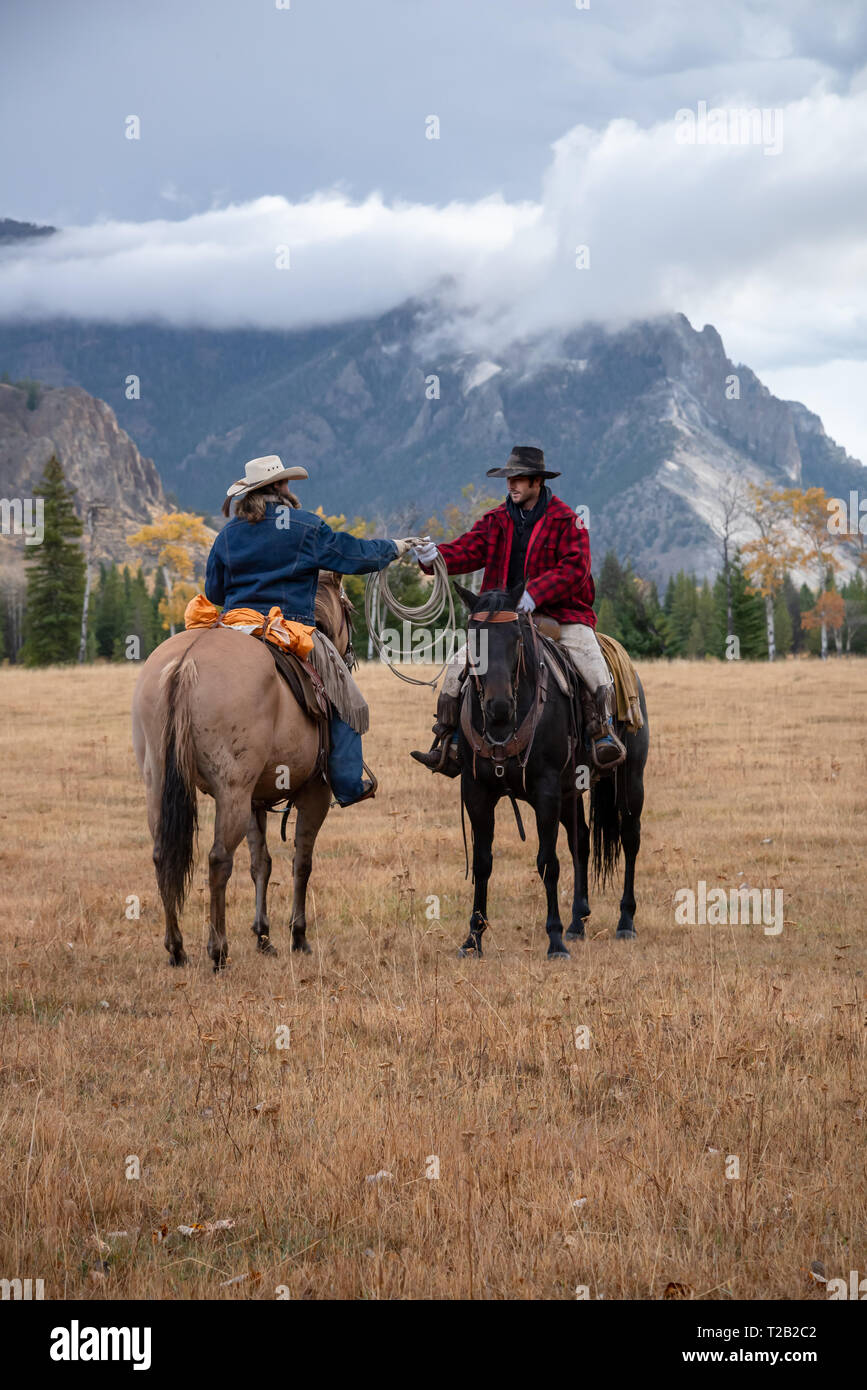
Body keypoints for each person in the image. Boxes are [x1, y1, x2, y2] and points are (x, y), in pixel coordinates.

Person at [205, 454, 418, 807]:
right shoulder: (304, 527)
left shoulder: (229, 534)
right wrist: (393, 548)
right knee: (347, 698)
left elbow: (214, 592)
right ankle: (348, 782)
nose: (291, 489)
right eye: (287, 483)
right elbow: (354, 555)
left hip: (234, 628)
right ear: (279, 488)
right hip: (289, 628)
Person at [410, 445, 626, 776]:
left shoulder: (568, 522)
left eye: (519, 479)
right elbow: (466, 550)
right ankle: (449, 743)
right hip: (501, 620)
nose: (511, 485)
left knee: (590, 660)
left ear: (537, 482)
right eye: (509, 479)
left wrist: (536, 593)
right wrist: (433, 556)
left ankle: (602, 733)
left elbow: (576, 568)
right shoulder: (495, 521)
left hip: (561, 616)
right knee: (456, 669)